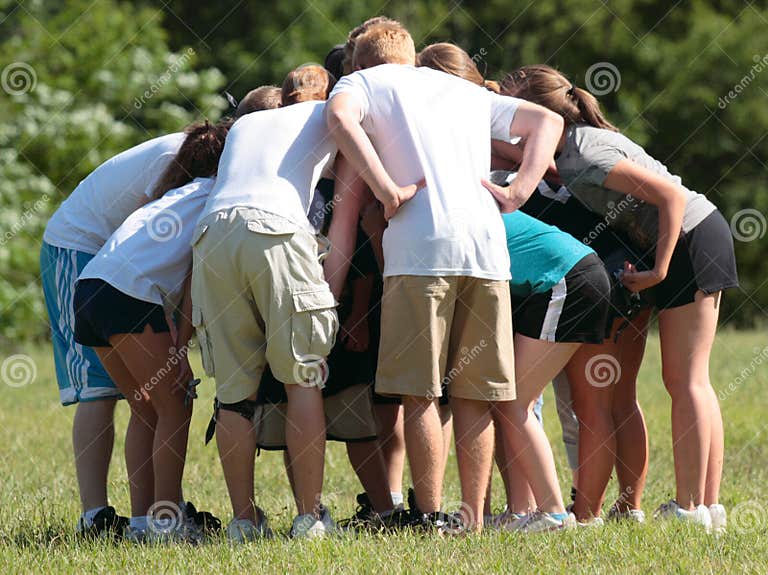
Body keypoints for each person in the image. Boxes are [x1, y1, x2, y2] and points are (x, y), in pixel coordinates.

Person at [325, 22, 563, 532]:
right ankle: (472, 520)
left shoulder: (361, 83)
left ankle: (430, 517)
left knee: (421, 393)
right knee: (476, 395)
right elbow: (546, 122)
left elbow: (339, 119)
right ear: (409, 55)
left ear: (360, 61)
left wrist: (386, 189)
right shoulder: (464, 90)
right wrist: (520, 190)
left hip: (420, 252)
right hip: (486, 252)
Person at [498, 64, 738, 532]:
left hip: (687, 239)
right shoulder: (578, 145)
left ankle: (691, 509)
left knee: (685, 381)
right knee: (693, 381)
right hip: (696, 235)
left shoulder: (582, 154)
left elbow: (669, 196)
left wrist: (660, 270)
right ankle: (708, 507)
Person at [417, 42, 612, 532]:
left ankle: (551, 514)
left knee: (512, 401)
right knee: (510, 397)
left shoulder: (453, 193)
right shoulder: (467, 158)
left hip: (569, 280)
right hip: (566, 278)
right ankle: (529, 511)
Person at [191, 64, 340, 540]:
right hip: (275, 228)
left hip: (213, 235)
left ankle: (243, 521)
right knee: (303, 377)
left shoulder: (247, 124)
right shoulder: (330, 113)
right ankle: (310, 518)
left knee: (234, 392)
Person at [72, 119, 231, 542]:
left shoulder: (171, 196)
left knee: (146, 407)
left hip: (89, 290)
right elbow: (192, 281)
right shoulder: (216, 196)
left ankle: (142, 523)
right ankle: (167, 521)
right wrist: (180, 350)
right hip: (127, 295)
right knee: (176, 405)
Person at [40, 128, 185, 537]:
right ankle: (95, 515)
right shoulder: (176, 156)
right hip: (79, 247)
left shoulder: (192, 153)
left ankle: (159, 501)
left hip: (114, 259)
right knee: (100, 389)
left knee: (145, 394)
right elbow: (145, 217)